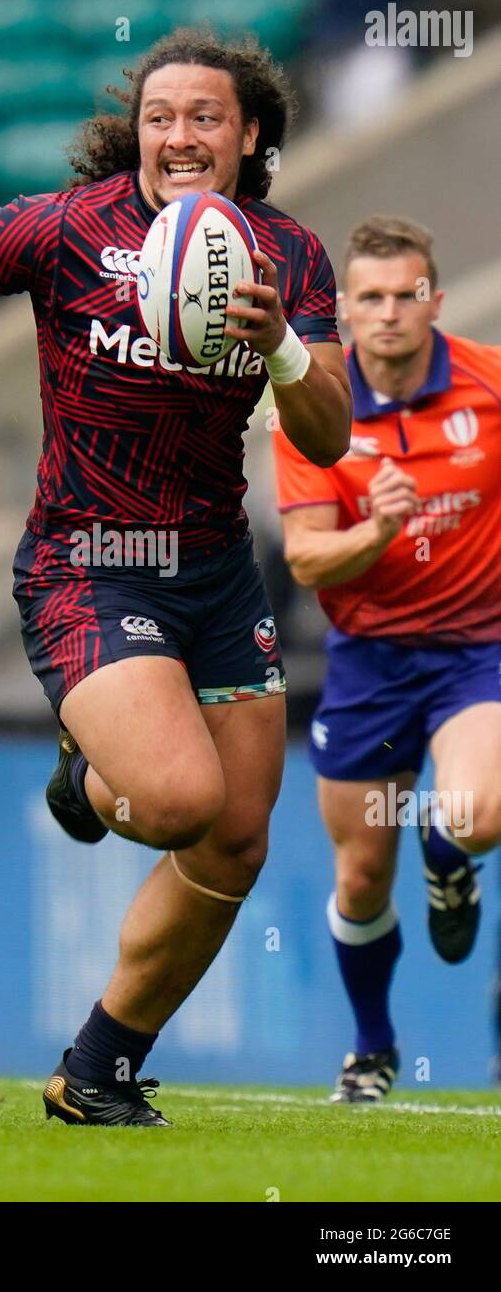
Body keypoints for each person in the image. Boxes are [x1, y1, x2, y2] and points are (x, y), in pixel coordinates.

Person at [0, 28, 351, 1126]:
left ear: (250, 136)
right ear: (135, 133)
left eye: (206, 116)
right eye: (161, 117)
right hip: (86, 565)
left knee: (236, 838)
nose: (181, 135)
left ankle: (96, 1069)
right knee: (177, 798)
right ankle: (89, 768)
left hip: (215, 574)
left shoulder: (289, 257)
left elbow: (332, 435)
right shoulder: (72, 228)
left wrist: (284, 350)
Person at [273, 215, 501, 1102]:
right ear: (345, 310)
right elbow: (305, 559)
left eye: (407, 295)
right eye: (369, 298)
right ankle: (371, 1050)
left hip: (479, 653)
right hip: (368, 663)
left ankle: (450, 859)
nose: (390, 313)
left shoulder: (489, 385)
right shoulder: (312, 408)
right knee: (363, 876)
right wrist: (380, 529)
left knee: (471, 814)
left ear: (434, 300)